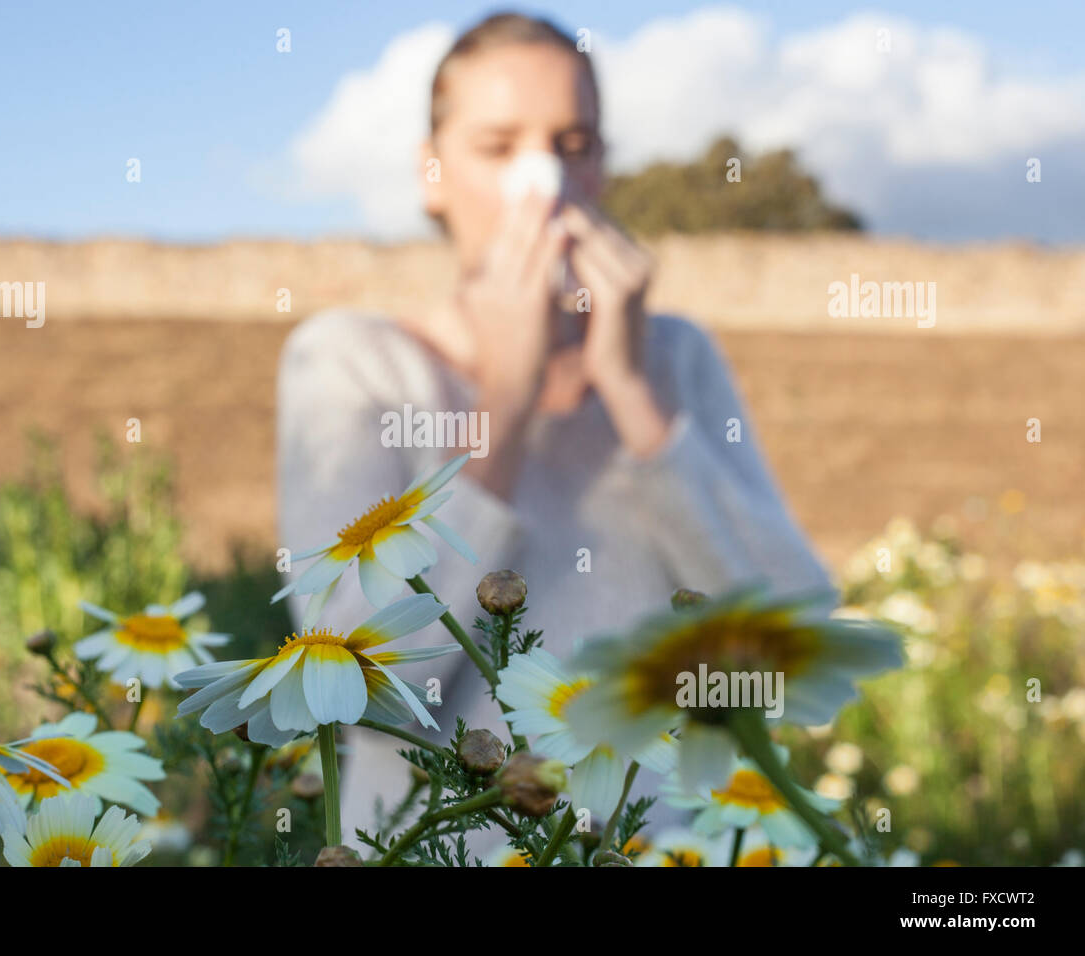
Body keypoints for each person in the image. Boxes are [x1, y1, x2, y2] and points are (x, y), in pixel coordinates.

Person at [274, 12, 833, 853]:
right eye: (500, 147)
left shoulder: (674, 360)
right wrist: (506, 396)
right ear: (432, 175)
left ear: (603, 167)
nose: (545, 182)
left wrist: (635, 399)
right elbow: (350, 689)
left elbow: (801, 653)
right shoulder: (353, 364)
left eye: (573, 144)